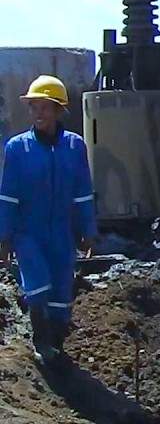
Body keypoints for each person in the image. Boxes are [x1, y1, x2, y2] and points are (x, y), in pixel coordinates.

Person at [0, 75, 97, 366]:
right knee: (38, 284)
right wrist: (4, 238)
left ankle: (55, 346)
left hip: (62, 234)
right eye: (34, 107)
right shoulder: (18, 148)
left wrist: (87, 230)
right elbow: (8, 197)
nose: (38, 113)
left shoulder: (74, 146)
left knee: (60, 292)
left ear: (58, 111)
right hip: (28, 232)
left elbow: (82, 193)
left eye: (45, 107)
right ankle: (40, 341)